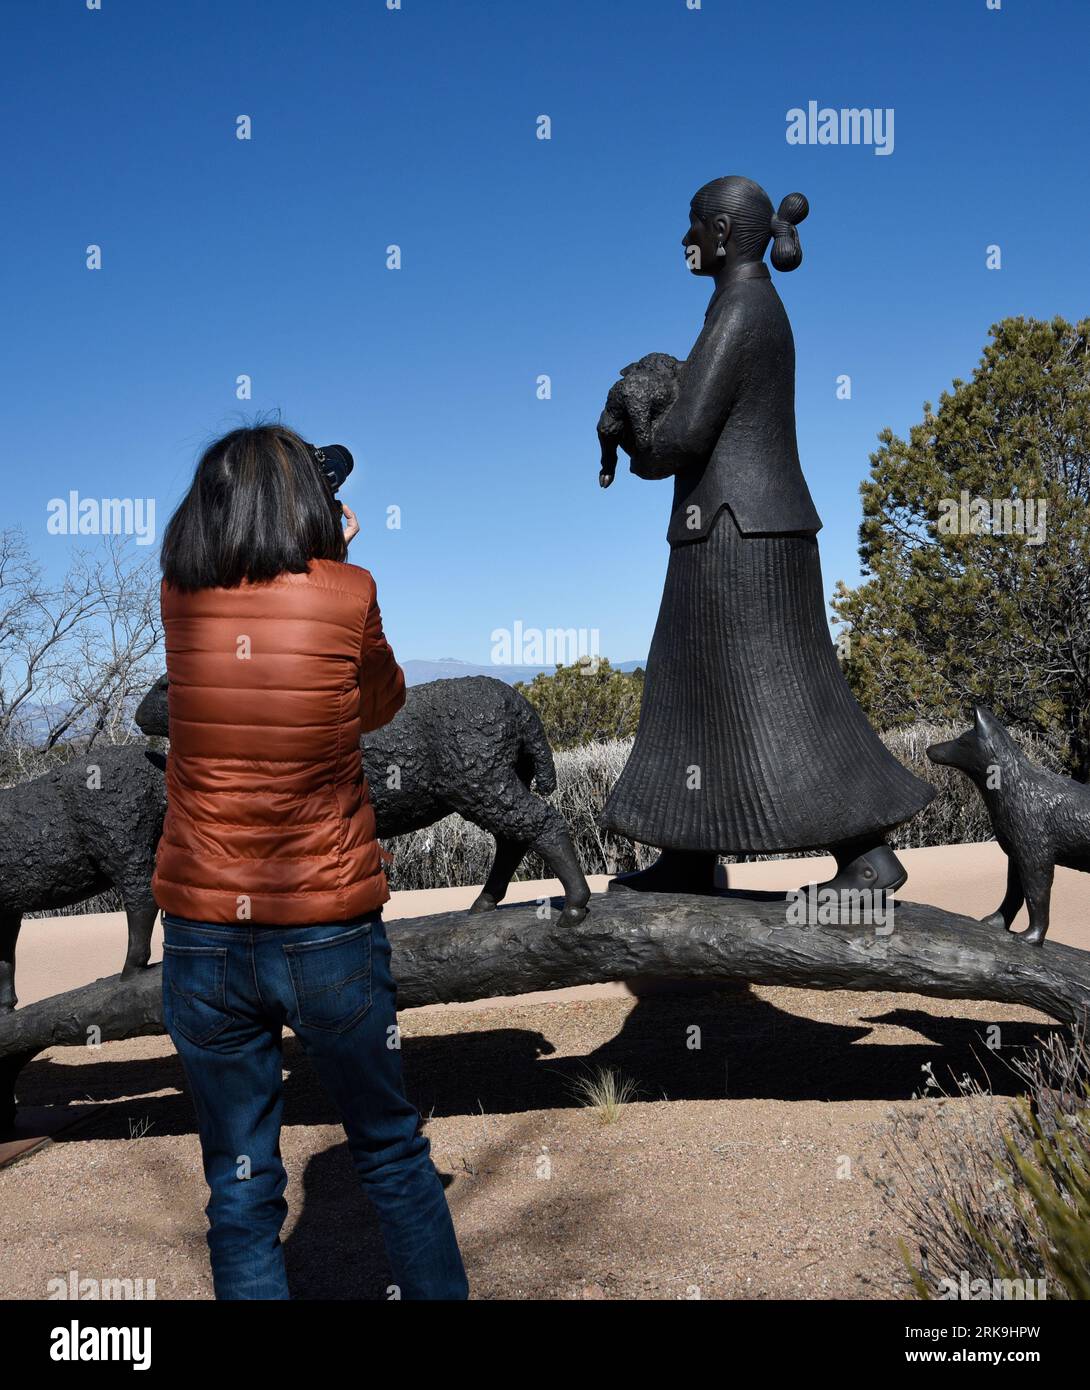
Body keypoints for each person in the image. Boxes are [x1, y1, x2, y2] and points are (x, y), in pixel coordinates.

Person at [153, 423, 468, 1300]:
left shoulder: (180, 595)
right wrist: (334, 552)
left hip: (203, 936)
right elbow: (380, 702)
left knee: (242, 1186)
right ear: (310, 506)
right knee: (395, 1155)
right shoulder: (347, 590)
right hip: (327, 926)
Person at [599, 176, 934, 895]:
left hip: (740, 533)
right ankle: (689, 853)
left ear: (721, 235)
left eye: (693, 225)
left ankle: (866, 855)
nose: (684, 240)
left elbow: (686, 432)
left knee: (780, 688)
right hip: (733, 528)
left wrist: (634, 438)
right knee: (696, 685)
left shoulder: (744, 307)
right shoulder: (743, 305)